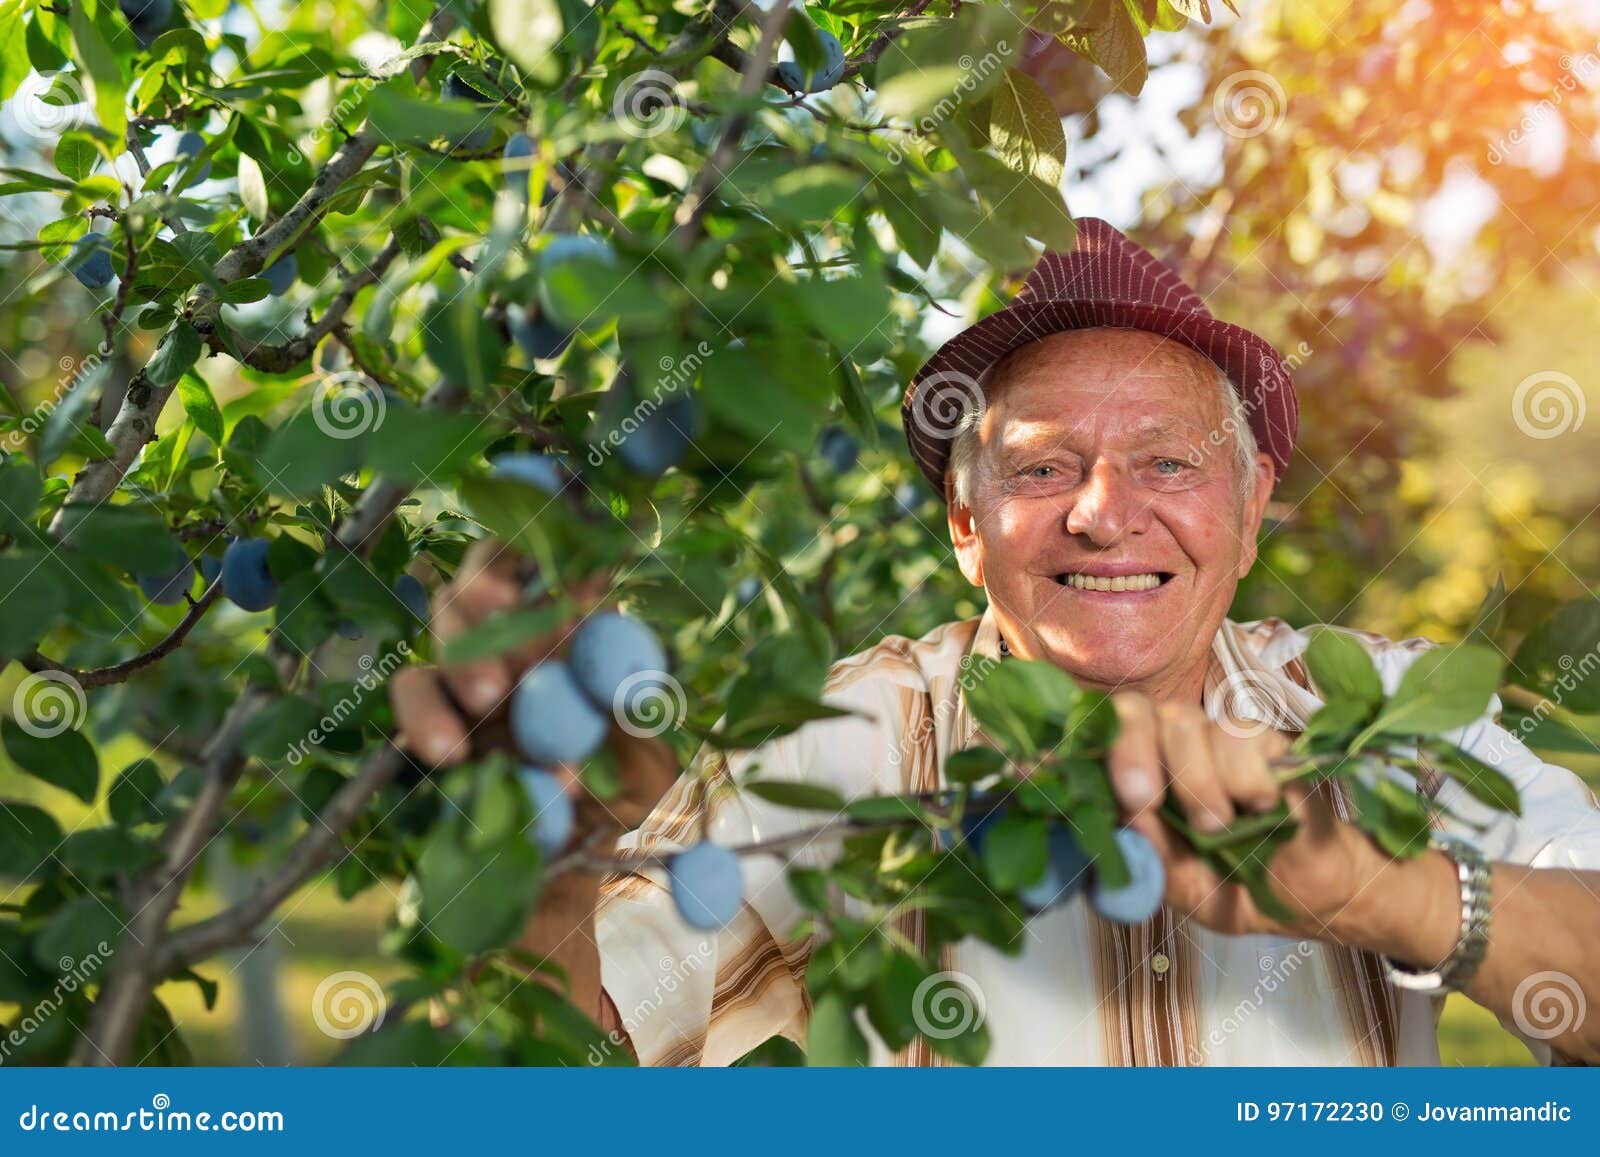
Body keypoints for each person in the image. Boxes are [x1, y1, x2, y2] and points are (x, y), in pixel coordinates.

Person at [390, 219, 1600, 1066]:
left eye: (1168, 461)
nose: (1101, 508)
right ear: (967, 527)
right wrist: (546, 846)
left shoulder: (1387, 717)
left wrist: (1385, 893)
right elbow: (555, 1071)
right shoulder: (840, 742)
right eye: (1040, 466)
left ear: (1246, 510)